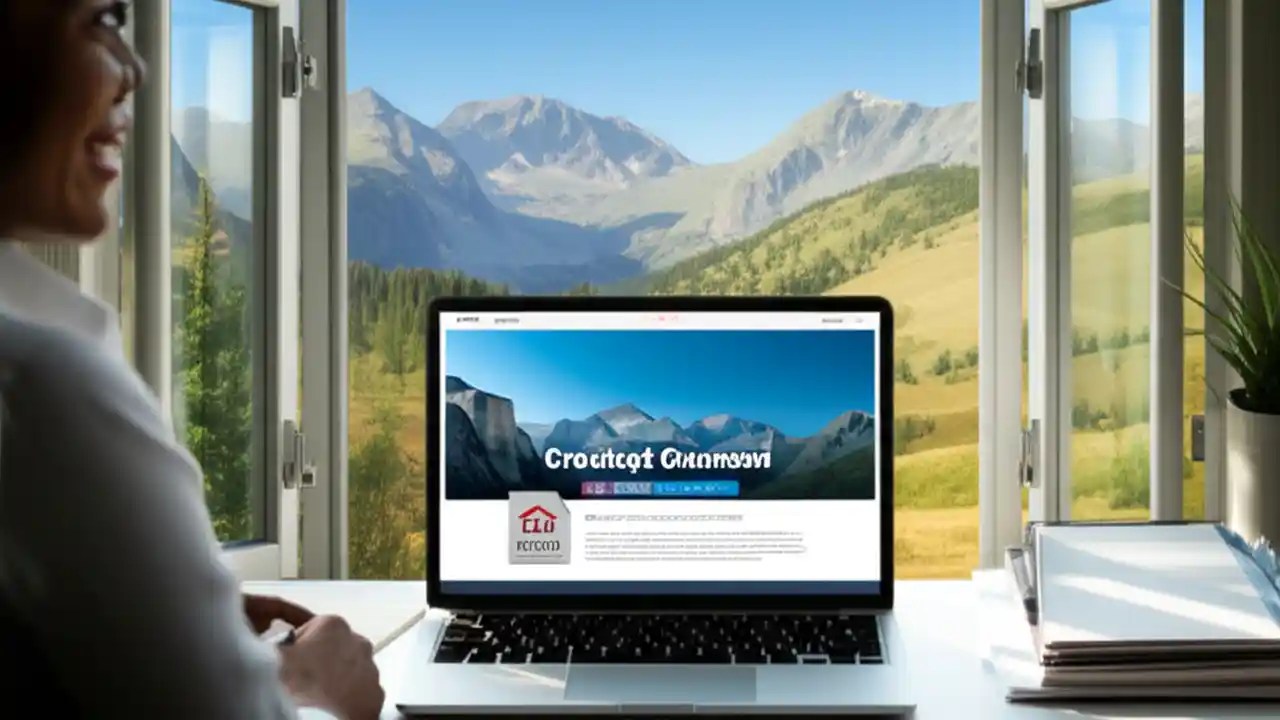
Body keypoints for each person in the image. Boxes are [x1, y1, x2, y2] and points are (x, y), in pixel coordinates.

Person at [0, 2, 384, 718]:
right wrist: (318, 690)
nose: (135, 69)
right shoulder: (42, 394)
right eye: (102, 18)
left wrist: (167, 610)